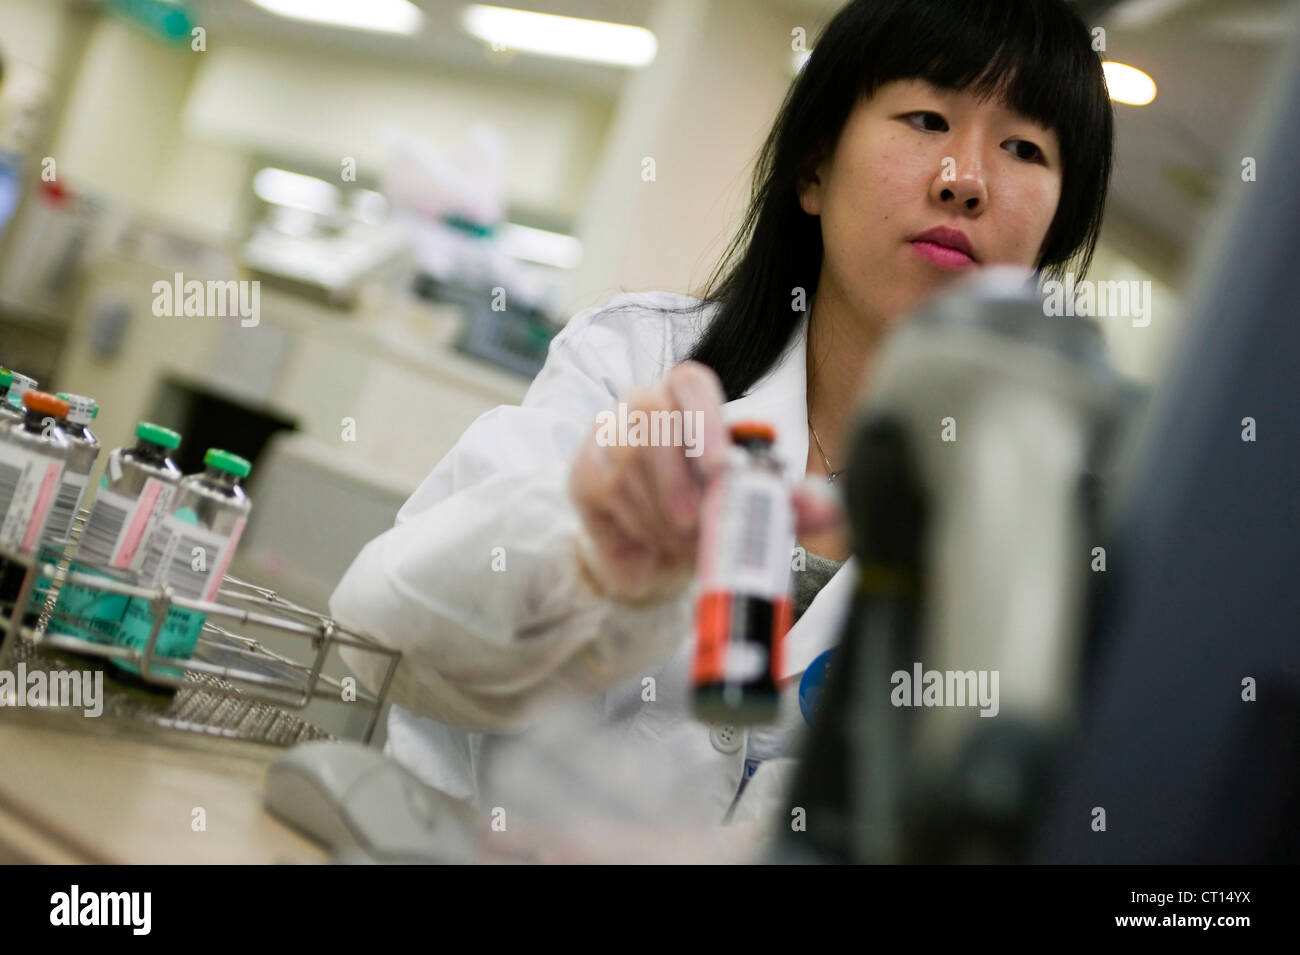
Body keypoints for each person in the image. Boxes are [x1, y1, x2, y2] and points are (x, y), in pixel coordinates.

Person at [329, 0, 1114, 850]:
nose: (966, 178)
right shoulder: (637, 363)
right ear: (814, 169)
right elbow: (377, 638)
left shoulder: (1036, 519)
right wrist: (590, 557)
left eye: (1024, 149)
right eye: (927, 118)